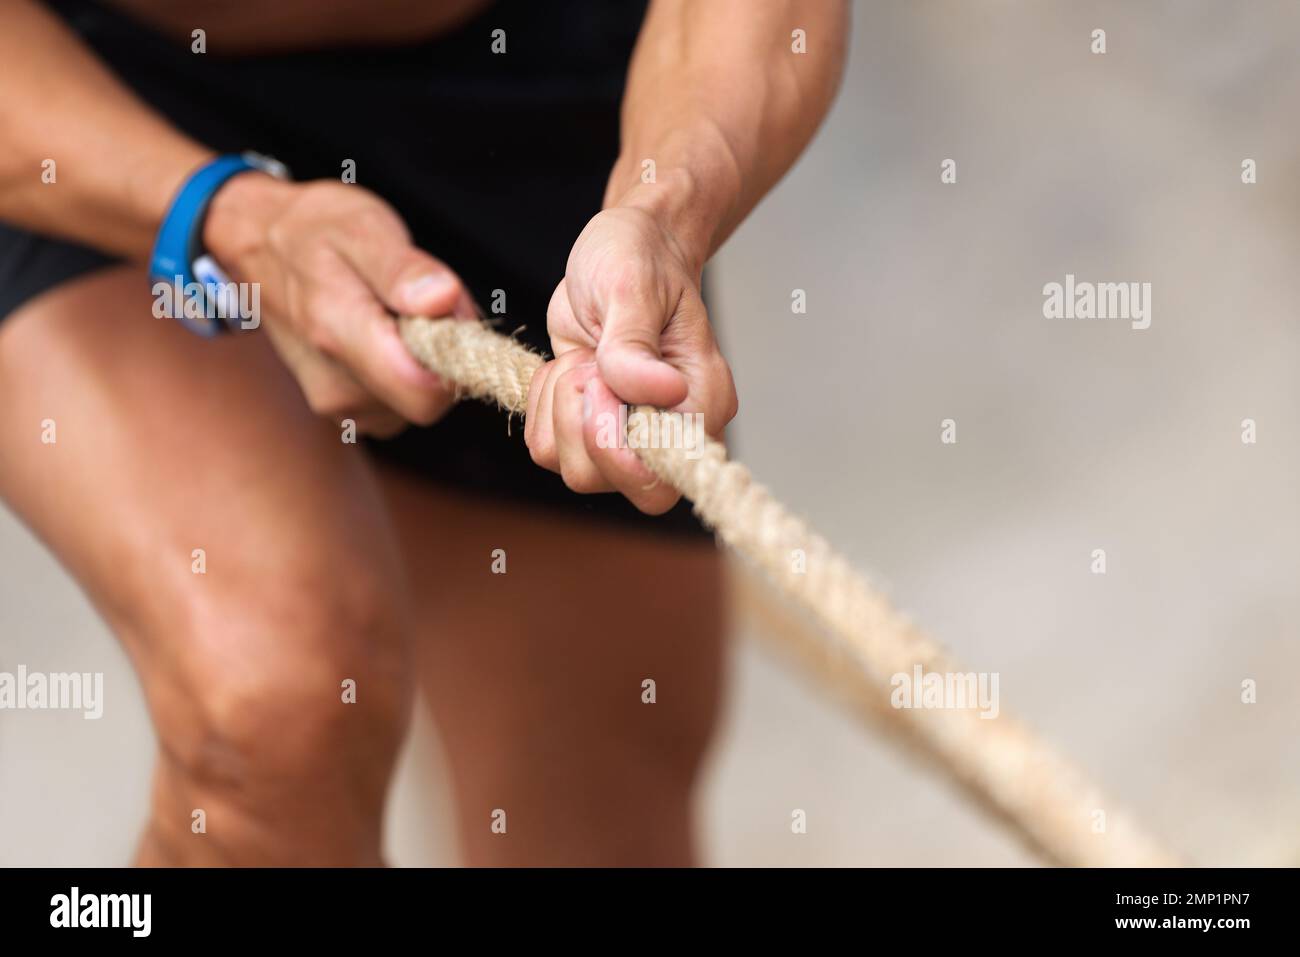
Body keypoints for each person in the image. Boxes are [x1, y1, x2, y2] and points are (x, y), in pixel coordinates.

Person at [0, 0, 846, 865]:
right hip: (79, 83)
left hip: (517, 74)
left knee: (599, 800)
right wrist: (233, 221)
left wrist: (662, 211)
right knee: (275, 708)